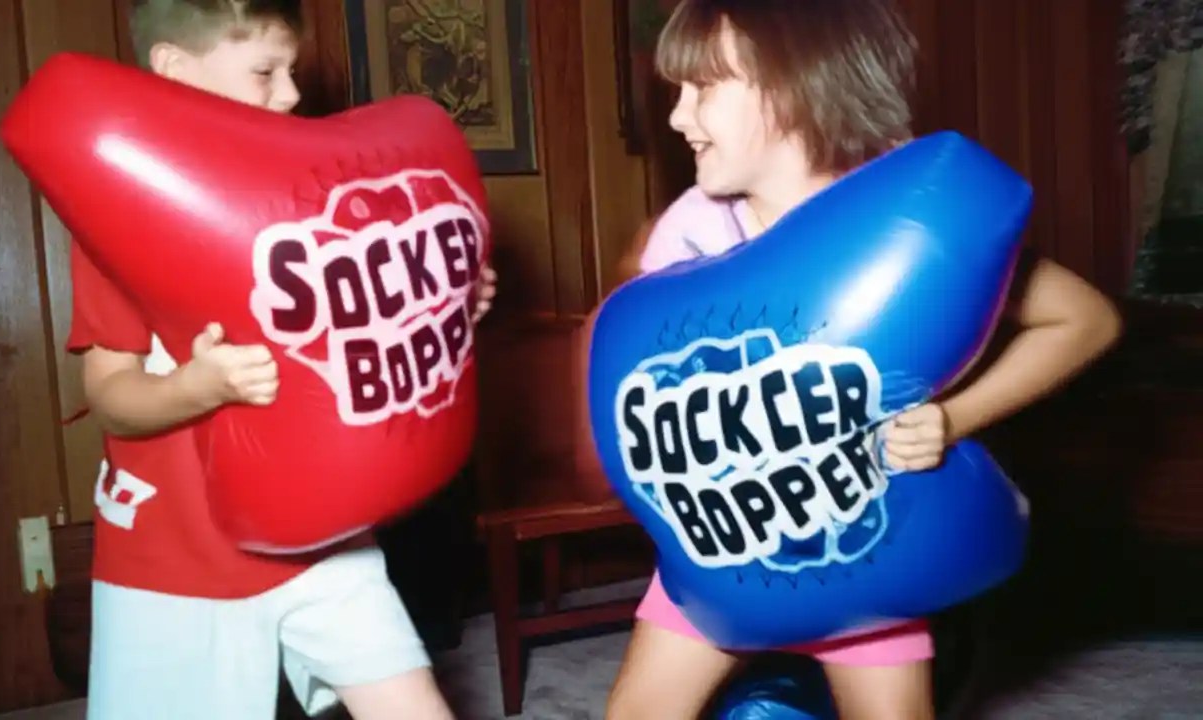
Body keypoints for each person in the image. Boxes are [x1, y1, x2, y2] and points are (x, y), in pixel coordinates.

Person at [593, 1, 1123, 718]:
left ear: (797, 84)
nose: (678, 116)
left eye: (705, 87)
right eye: (676, 91)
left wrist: (954, 417)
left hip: (866, 547)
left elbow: (1084, 320)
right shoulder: (689, 232)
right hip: (721, 544)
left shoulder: (903, 226)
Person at [70, 2, 495, 717]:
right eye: (265, 71)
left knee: (414, 705)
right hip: (178, 552)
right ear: (175, 69)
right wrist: (196, 387)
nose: (292, 93)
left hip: (323, 531)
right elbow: (110, 394)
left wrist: (442, 298)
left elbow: (354, 322)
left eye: (292, 69)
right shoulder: (117, 206)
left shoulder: (310, 190)